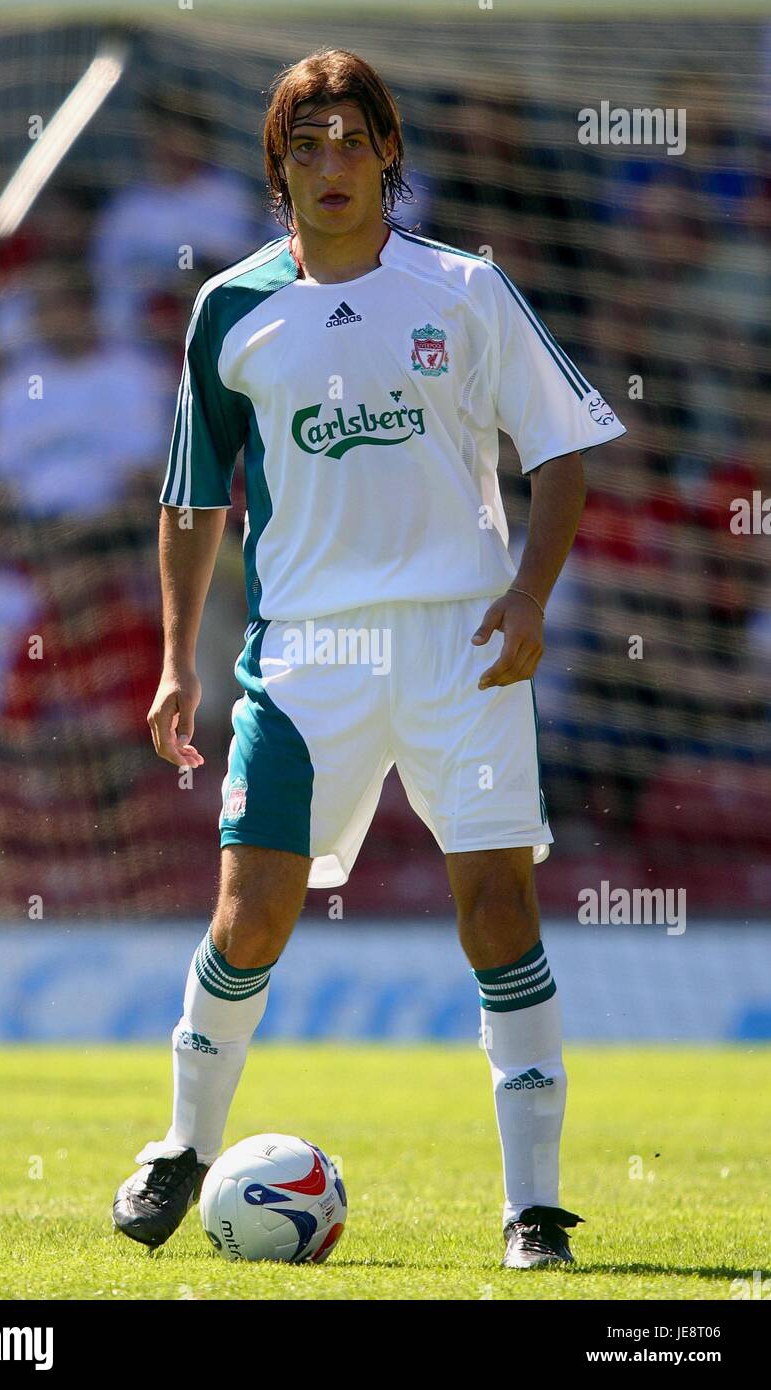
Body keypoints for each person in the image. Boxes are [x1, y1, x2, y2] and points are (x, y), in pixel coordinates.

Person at [113, 48, 626, 1269]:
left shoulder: (464, 289)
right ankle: (182, 1145)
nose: (330, 164)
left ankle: (535, 1210)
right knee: (249, 919)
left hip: (462, 644)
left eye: (351, 141)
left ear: (389, 154)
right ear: (278, 167)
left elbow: (560, 450)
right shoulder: (228, 309)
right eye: (306, 145)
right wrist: (177, 658)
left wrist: (529, 597)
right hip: (301, 657)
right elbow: (194, 501)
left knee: (496, 910)